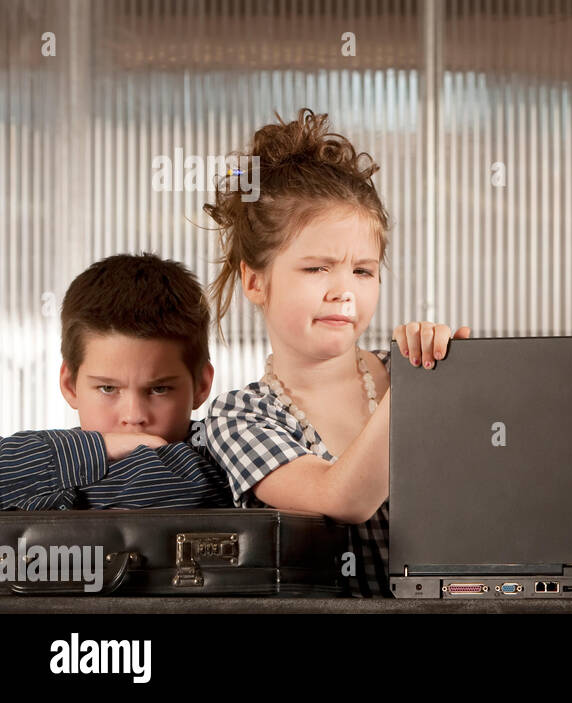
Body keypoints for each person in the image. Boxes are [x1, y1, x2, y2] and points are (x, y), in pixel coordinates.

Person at [203, 108, 465, 596]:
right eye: (317, 269)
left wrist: (459, 376)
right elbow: (341, 496)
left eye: (363, 271)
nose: (344, 291)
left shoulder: (410, 374)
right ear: (255, 280)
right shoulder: (240, 417)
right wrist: (418, 386)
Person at [1, 253, 230, 510]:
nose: (133, 417)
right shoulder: (68, 452)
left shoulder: (222, 451)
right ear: (69, 385)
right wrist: (101, 448)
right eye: (108, 388)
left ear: (201, 385)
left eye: (159, 389)